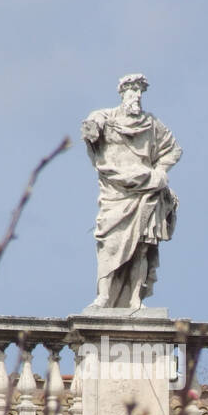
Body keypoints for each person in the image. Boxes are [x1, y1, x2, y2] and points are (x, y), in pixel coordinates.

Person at [81, 74, 181, 311]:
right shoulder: (106, 117)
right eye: (132, 90)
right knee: (108, 243)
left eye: (140, 91)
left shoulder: (152, 123)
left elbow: (173, 149)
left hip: (146, 190)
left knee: (141, 248)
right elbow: (91, 128)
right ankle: (103, 296)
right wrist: (92, 129)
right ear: (122, 93)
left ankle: (136, 299)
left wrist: (160, 171)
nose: (136, 95)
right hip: (115, 191)